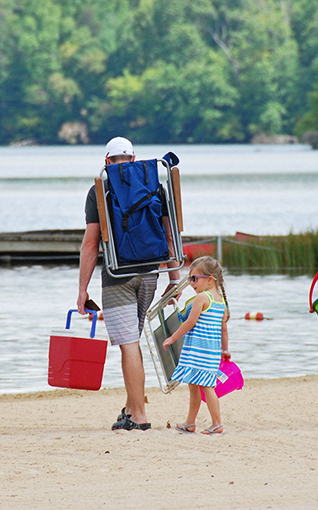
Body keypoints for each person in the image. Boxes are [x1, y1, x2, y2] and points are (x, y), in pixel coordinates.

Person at [77, 136, 181, 431]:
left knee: (129, 344)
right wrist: (173, 279)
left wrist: (82, 289)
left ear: (107, 162)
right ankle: (132, 408)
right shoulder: (154, 186)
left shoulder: (100, 189)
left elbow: (90, 244)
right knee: (131, 342)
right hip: (150, 274)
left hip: (117, 276)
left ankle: (140, 417)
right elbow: (170, 236)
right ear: (134, 159)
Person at [163, 256, 231, 435]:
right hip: (211, 352)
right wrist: (225, 350)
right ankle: (190, 422)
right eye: (190, 279)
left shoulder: (202, 297)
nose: (191, 283)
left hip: (198, 350)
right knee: (195, 385)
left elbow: (189, 323)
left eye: (194, 279)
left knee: (207, 387)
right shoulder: (221, 302)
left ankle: (217, 423)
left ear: (210, 279)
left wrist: (172, 338)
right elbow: (224, 330)